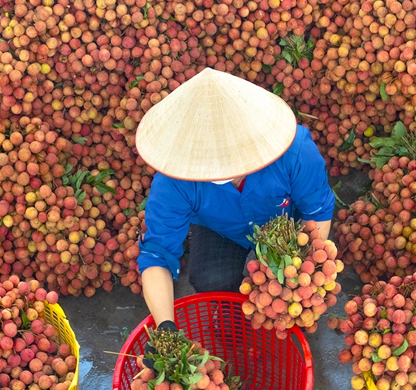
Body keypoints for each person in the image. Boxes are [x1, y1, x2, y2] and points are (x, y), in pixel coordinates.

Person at [133, 67, 335, 334]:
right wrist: (166, 326)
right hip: (221, 230)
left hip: (288, 226)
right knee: (210, 279)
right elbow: (157, 253)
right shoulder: (173, 181)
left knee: (286, 296)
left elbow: (317, 210)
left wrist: (300, 277)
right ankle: (230, 315)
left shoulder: (296, 150)